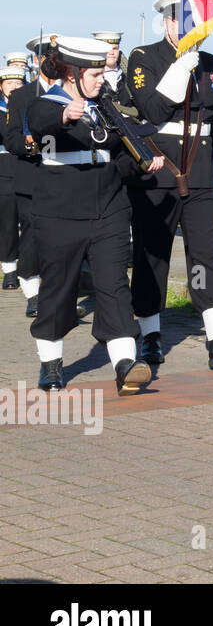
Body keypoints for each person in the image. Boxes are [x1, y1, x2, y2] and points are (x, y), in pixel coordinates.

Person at [26, 36, 163, 394]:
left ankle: (125, 363)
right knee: (59, 287)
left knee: (114, 285)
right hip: (60, 211)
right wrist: (63, 114)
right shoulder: (46, 103)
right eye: (96, 73)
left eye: (103, 71)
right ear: (72, 73)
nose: (102, 78)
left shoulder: (104, 106)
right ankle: (51, 362)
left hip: (109, 209)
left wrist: (144, 165)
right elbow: (38, 120)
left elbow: (117, 160)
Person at [125, 0, 213, 370]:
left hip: (201, 175)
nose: (186, 28)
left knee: (204, 255)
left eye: (194, 21)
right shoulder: (143, 58)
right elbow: (152, 108)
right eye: (179, 20)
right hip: (156, 174)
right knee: (152, 256)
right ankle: (149, 334)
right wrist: (181, 67)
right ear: (165, 23)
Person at [3, 35, 55, 318]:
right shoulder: (22, 96)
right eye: (48, 57)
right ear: (38, 61)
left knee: (60, 238)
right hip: (31, 177)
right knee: (33, 236)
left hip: (65, 178)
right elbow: (11, 140)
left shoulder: (72, 93)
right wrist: (26, 141)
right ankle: (32, 291)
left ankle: (57, 291)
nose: (54, 63)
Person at [0, 57, 28, 292]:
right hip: (4, 169)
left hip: (27, 167)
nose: (14, 88)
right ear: (1, 86)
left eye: (18, 84)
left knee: (29, 221)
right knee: (7, 223)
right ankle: (9, 268)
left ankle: (29, 269)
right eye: (9, 84)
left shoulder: (30, 107)